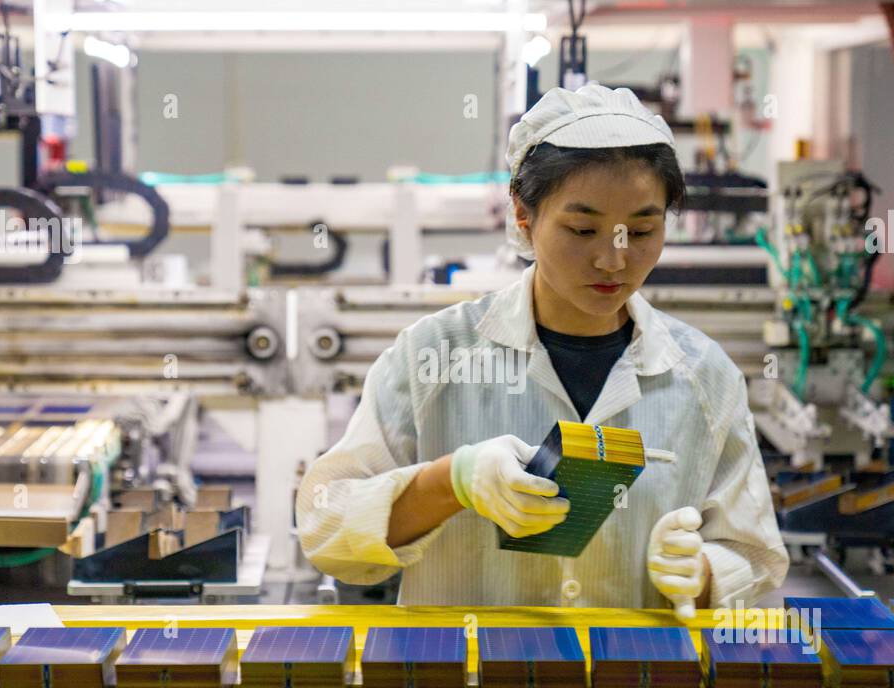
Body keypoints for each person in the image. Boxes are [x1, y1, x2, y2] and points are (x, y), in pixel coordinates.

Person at [296, 83, 787, 617]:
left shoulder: (704, 377)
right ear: (523, 216)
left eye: (642, 229)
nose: (613, 260)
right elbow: (325, 529)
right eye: (583, 229)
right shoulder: (432, 356)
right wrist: (451, 481)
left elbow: (756, 555)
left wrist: (707, 573)